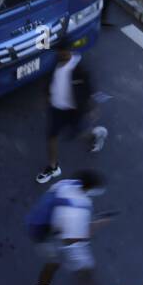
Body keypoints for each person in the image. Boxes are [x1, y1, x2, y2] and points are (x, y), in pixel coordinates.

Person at [28, 170, 132, 285]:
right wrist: (99, 223)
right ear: (90, 188)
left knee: (50, 267)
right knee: (85, 267)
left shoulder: (65, 185)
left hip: (40, 230)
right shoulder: (80, 207)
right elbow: (75, 237)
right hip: (56, 238)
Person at [37, 48, 107, 184]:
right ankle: (53, 167)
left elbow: (89, 90)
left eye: (62, 52)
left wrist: (92, 108)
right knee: (51, 136)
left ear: (69, 52)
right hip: (56, 108)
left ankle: (95, 135)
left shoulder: (80, 70)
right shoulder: (57, 62)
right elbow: (50, 80)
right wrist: (46, 96)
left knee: (78, 134)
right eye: (58, 52)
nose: (60, 54)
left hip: (73, 111)